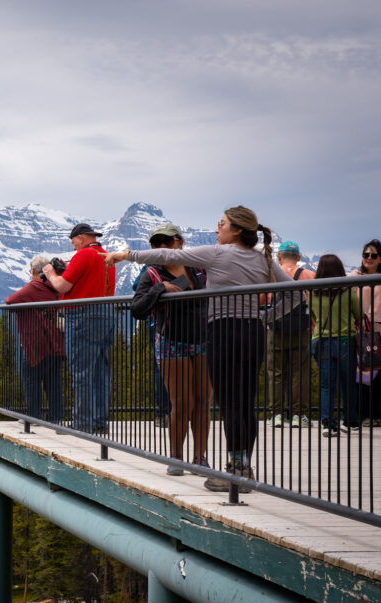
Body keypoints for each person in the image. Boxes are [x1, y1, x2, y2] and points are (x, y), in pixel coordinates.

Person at [104, 206, 292, 493]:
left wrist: (126, 255)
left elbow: (169, 255)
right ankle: (245, 469)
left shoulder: (217, 254)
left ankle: (234, 473)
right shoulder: (262, 258)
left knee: (228, 402)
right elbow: (296, 293)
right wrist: (266, 317)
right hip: (253, 332)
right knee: (246, 401)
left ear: (236, 230)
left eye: (221, 224)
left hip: (223, 331)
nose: (217, 229)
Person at [129, 223, 210, 475]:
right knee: (182, 403)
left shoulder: (199, 270)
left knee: (203, 402)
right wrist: (161, 288)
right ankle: (176, 458)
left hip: (203, 341)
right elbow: (137, 308)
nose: (161, 247)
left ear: (179, 242)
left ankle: (200, 458)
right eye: (156, 243)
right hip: (171, 342)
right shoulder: (152, 274)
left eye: (166, 241)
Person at [42, 223, 116, 434]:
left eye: (73, 242)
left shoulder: (84, 255)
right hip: (106, 314)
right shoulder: (106, 256)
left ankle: (81, 424)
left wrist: (50, 273)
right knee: (101, 371)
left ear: (81, 238)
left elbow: (62, 286)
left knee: (82, 371)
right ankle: (100, 422)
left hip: (83, 315)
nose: (73, 247)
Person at [5, 255, 65, 422]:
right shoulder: (56, 285)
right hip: (56, 342)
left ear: (33, 271)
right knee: (53, 382)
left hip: (36, 342)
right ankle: (56, 417)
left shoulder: (35, 285)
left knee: (31, 379)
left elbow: (10, 301)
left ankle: (33, 416)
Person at [263, 241, 315, 427]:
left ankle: (276, 414)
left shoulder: (271, 276)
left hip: (275, 328)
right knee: (299, 372)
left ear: (279, 257)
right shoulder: (309, 275)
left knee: (275, 372)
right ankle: (298, 415)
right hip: (301, 329)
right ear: (299, 258)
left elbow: (261, 299)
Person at [310, 254, 361, 436]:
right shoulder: (348, 292)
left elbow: (314, 318)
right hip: (345, 341)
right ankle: (349, 420)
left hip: (322, 341)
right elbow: (359, 313)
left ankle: (327, 423)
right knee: (348, 383)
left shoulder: (313, 293)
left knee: (326, 385)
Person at [132, 268, 172, 429]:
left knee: (161, 367)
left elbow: (137, 286)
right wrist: (164, 287)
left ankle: (164, 413)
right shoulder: (180, 263)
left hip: (157, 322)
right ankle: (168, 413)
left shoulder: (151, 266)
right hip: (170, 322)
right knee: (167, 367)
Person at [352, 239, 381, 424]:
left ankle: (377, 414)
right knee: (362, 373)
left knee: (379, 374)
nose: (369, 258)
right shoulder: (355, 276)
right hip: (360, 330)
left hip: (380, 328)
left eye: (373, 255)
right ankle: (363, 414)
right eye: (366, 254)